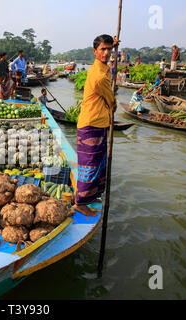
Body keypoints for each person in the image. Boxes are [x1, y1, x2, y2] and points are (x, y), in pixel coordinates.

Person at [72, 34, 118, 217]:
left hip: (98, 122)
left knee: (98, 162)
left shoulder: (102, 68)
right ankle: (81, 203)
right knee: (90, 165)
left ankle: (91, 196)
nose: (106, 53)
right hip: (91, 123)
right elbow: (110, 99)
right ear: (95, 51)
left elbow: (109, 69)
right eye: (103, 50)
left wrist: (114, 45)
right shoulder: (98, 75)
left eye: (109, 49)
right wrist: (113, 105)